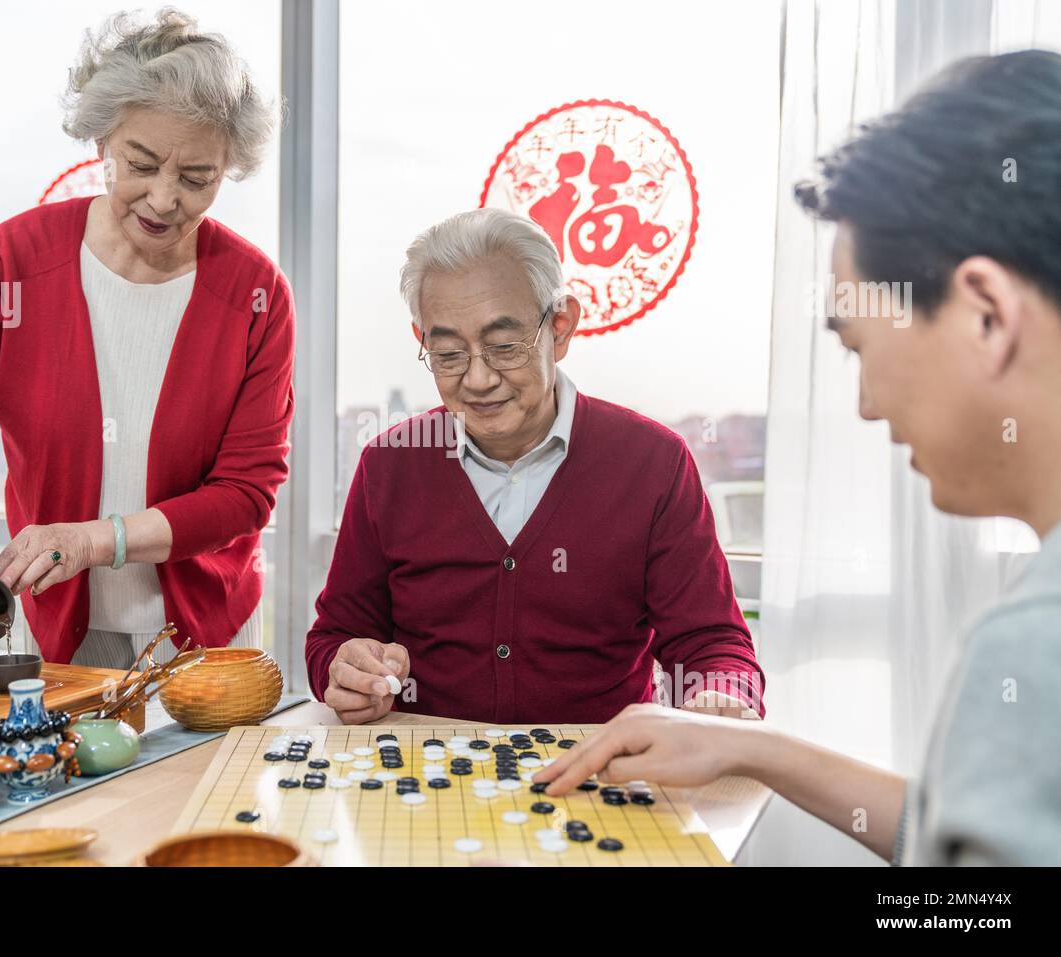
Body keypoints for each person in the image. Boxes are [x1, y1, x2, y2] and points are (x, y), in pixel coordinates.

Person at [537, 50, 1061, 865]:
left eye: (860, 349)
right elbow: (963, 838)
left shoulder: (1035, 640)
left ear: (987, 314)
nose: (868, 405)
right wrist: (756, 748)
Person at [0, 10, 294, 667]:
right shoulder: (13, 260)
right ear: (103, 139)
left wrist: (99, 539)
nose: (163, 199)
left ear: (229, 168)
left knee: (202, 775)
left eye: (197, 179)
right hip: (55, 628)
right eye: (141, 164)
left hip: (206, 634)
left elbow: (247, 492)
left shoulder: (256, 294)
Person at [305, 207, 765, 725]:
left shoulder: (652, 462)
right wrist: (345, 670)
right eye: (449, 353)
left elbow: (712, 645)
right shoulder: (390, 464)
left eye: (504, 346)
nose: (477, 380)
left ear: (561, 328)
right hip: (423, 774)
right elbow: (335, 638)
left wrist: (723, 693)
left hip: (599, 775)